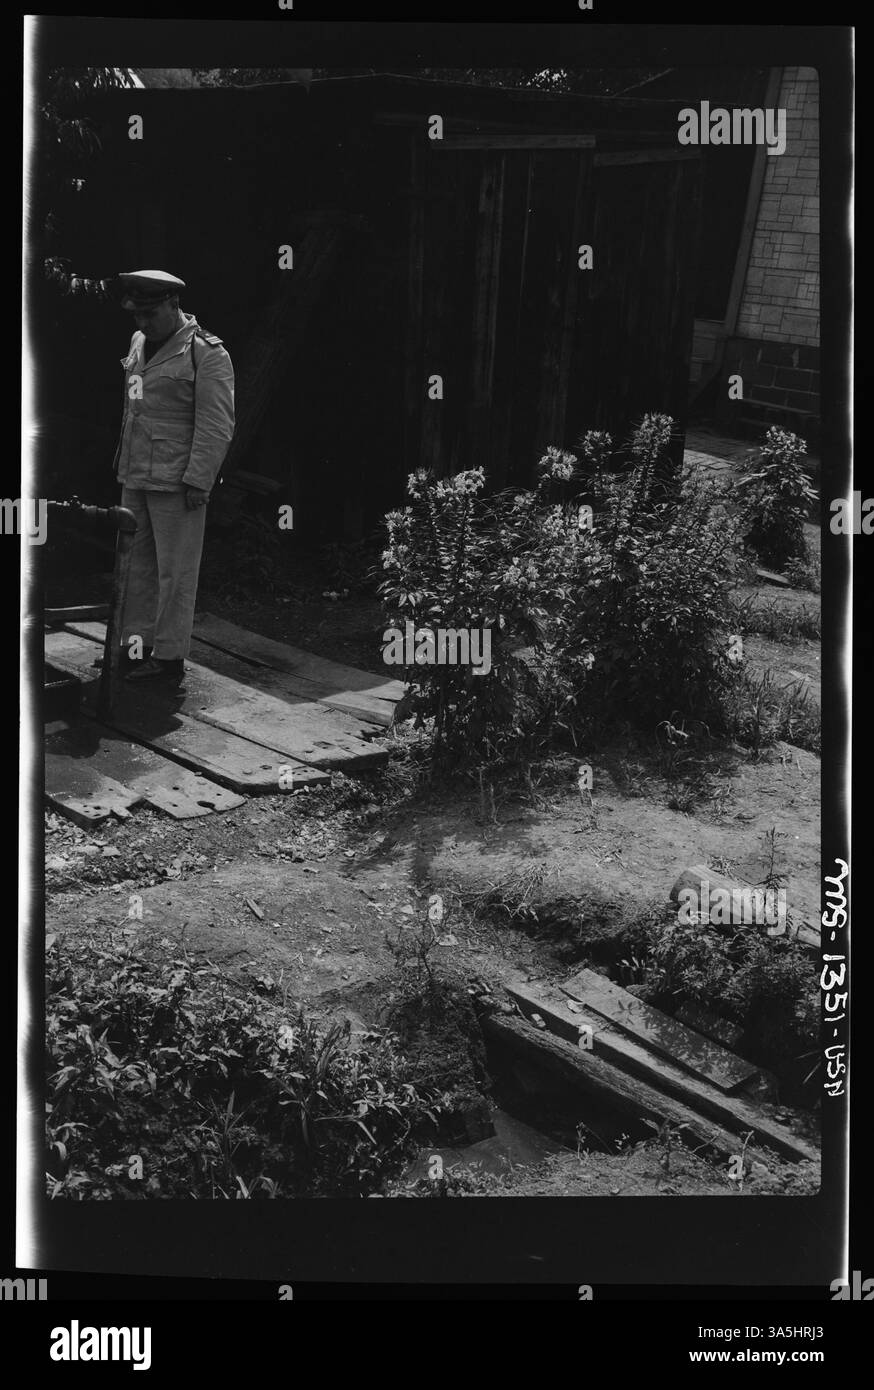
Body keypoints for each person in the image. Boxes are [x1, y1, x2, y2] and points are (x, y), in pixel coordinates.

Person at [103, 270, 235, 681]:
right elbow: (135, 407)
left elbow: (217, 424)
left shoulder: (206, 353)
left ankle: (169, 659)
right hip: (136, 472)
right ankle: (135, 648)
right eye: (137, 315)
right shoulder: (138, 341)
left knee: (175, 572)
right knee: (134, 565)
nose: (143, 322)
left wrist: (199, 480)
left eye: (150, 314)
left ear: (174, 305)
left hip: (177, 480)